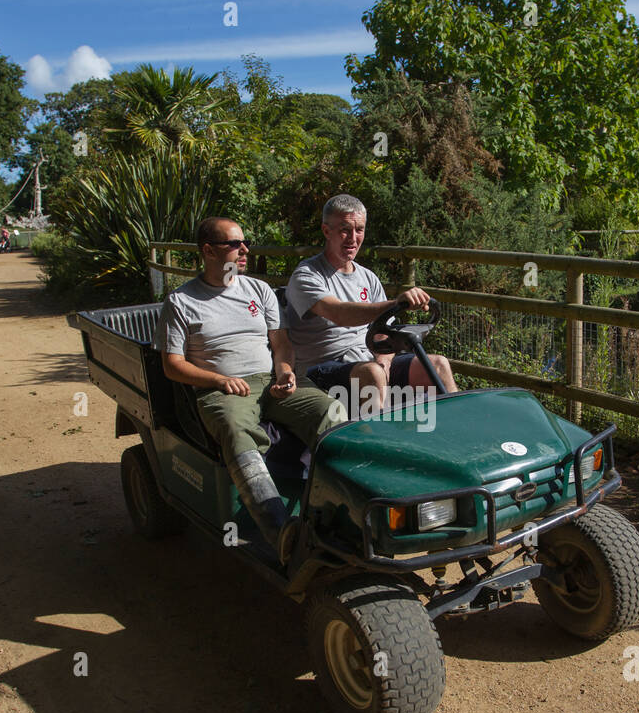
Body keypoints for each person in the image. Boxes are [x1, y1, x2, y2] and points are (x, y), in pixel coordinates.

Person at [156, 216, 345, 557]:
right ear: (209, 251)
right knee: (237, 430)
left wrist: (286, 371)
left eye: (245, 243)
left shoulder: (258, 290)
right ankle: (279, 530)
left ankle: (340, 512)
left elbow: (282, 343)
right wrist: (218, 379)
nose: (244, 250)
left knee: (331, 412)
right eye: (234, 244)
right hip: (221, 388)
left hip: (273, 379)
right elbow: (172, 365)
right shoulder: (181, 302)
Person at [283, 194, 457, 418]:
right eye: (345, 230)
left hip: (367, 363)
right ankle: (378, 445)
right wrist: (395, 303)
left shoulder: (368, 278)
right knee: (372, 374)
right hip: (319, 369)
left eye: (359, 230)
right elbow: (338, 313)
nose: (353, 238)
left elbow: (384, 334)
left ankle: (458, 436)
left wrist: (384, 363)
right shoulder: (307, 276)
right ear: (327, 231)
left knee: (438, 365)